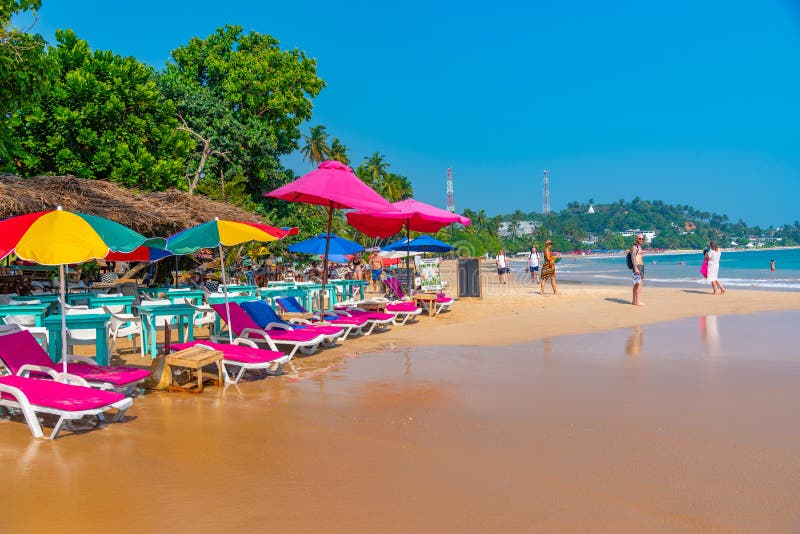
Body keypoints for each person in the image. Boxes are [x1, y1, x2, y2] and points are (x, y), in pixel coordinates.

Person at [630, 233, 645, 306]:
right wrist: (635, 268)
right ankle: (637, 301)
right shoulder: (634, 247)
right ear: (636, 238)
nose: (641, 240)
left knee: (637, 284)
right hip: (637, 267)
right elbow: (633, 257)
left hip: (640, 267)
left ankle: (634, 301)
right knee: (638, 284)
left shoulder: (639, 246)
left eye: (642, 239)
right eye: (639, 238)